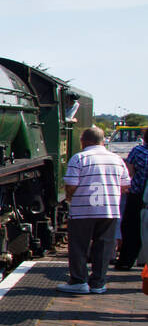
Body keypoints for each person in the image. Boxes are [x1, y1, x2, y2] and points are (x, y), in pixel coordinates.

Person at [59, 126, 130, 295]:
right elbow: (126, 186)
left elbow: (71, 185)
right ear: (103, 141)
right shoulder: (117, 159)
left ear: (83, 141)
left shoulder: (79, 158)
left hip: (83, 210)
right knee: (104, 246)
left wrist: (70, 198)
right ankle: (98, 283)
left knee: (78, 246)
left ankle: (78, 281)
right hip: (109, 210)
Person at [114, 127, 148, 270]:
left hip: (136, 195)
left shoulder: (138, 151)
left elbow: (129, 173)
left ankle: (126, 260)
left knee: (131, 229)